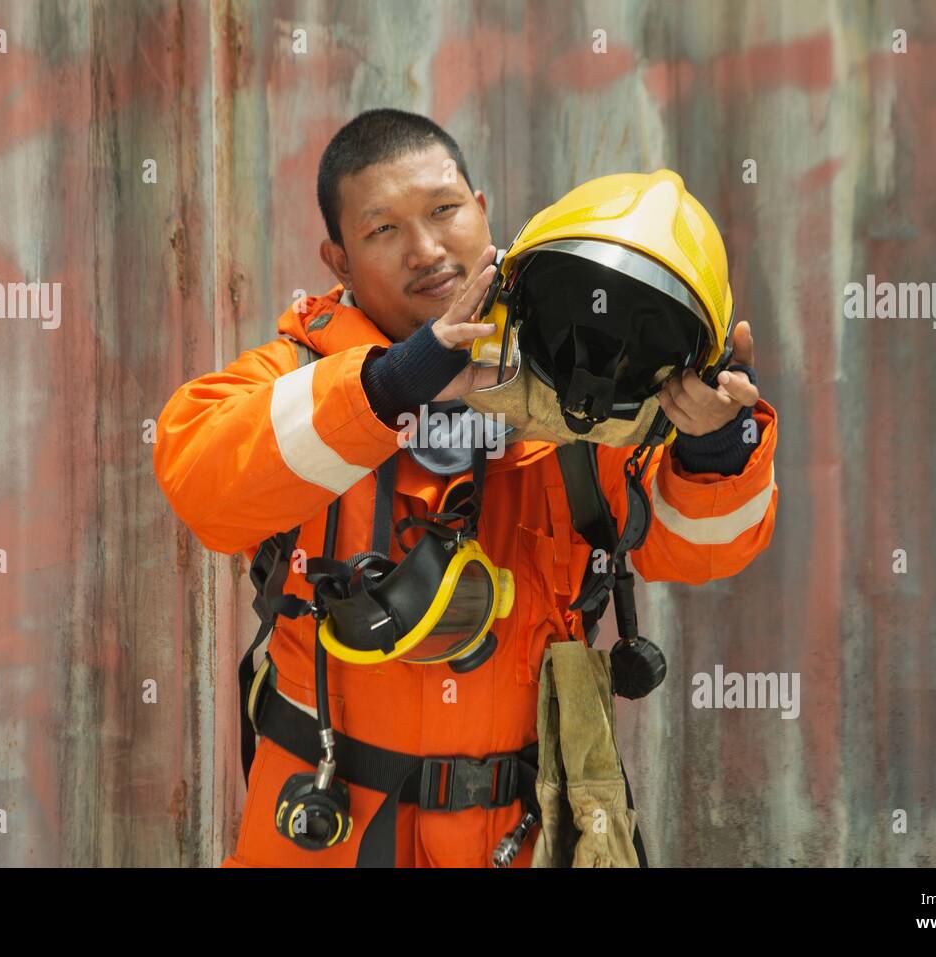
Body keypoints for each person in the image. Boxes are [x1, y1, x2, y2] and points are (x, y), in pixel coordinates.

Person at [152, 108, 779, 867]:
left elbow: (698, 549)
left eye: (444, 210)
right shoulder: (294, 381)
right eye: (382, 229)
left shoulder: (578, 391)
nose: (425, 248)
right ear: (339, 260)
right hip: (328, 831)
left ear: (483, 209)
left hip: (525, 831)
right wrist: (396, 384)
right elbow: (203, 484)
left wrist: (714, 442)